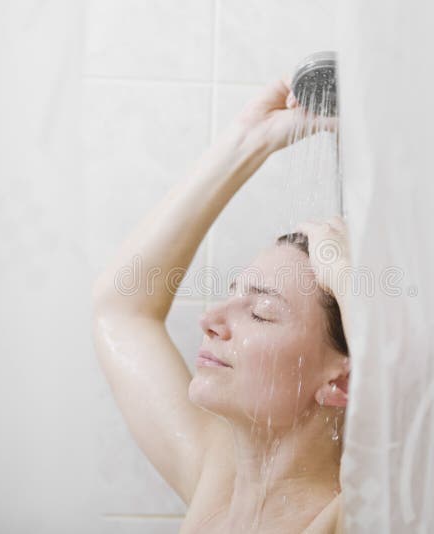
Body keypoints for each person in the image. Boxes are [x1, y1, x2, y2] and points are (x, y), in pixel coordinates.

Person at [91, 75, 353, 533]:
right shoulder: (218, 480)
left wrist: (345, 272)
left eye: (261, 312)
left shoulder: (357, 515)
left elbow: (402, 389)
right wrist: (248, 141)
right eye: (232, 295)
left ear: (344, 378)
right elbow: (121, 309)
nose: (210, 320)